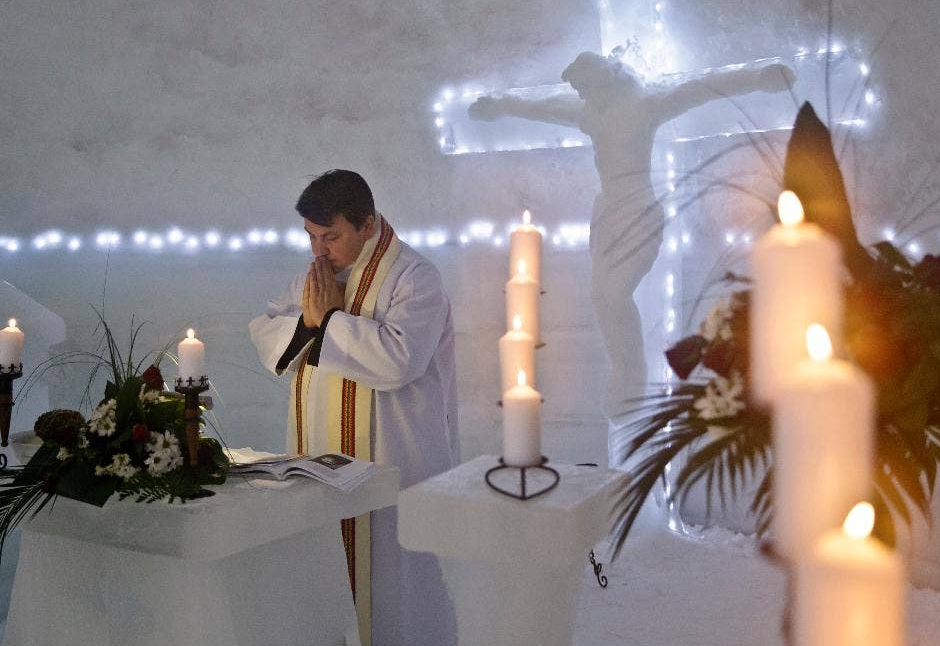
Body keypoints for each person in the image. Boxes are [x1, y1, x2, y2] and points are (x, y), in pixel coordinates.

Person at [470, 52, 793, 465]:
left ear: (605, 80)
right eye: (579, 91)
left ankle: (631, 374)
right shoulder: (590, 112)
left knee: (612, 295)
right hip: (607, 212)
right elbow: (543, 107)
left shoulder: (645, 105)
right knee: (602, 296)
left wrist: (760, 75)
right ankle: (627, 373)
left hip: (638, 210)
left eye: (587, 87)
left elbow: (703, 88)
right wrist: (500, 105)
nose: (583, 96)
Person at [249, 169, 458, 646]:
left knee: (397, 587)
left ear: (367, 224)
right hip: (321, 453)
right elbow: (265, 326)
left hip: (395, 456)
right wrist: (309, 320)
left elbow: (398, 360)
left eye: (331, 236)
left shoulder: (415, 277)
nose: (318, 251)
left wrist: (327, 321)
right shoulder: (317, 275)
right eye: (311, 236)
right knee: (324, 574)